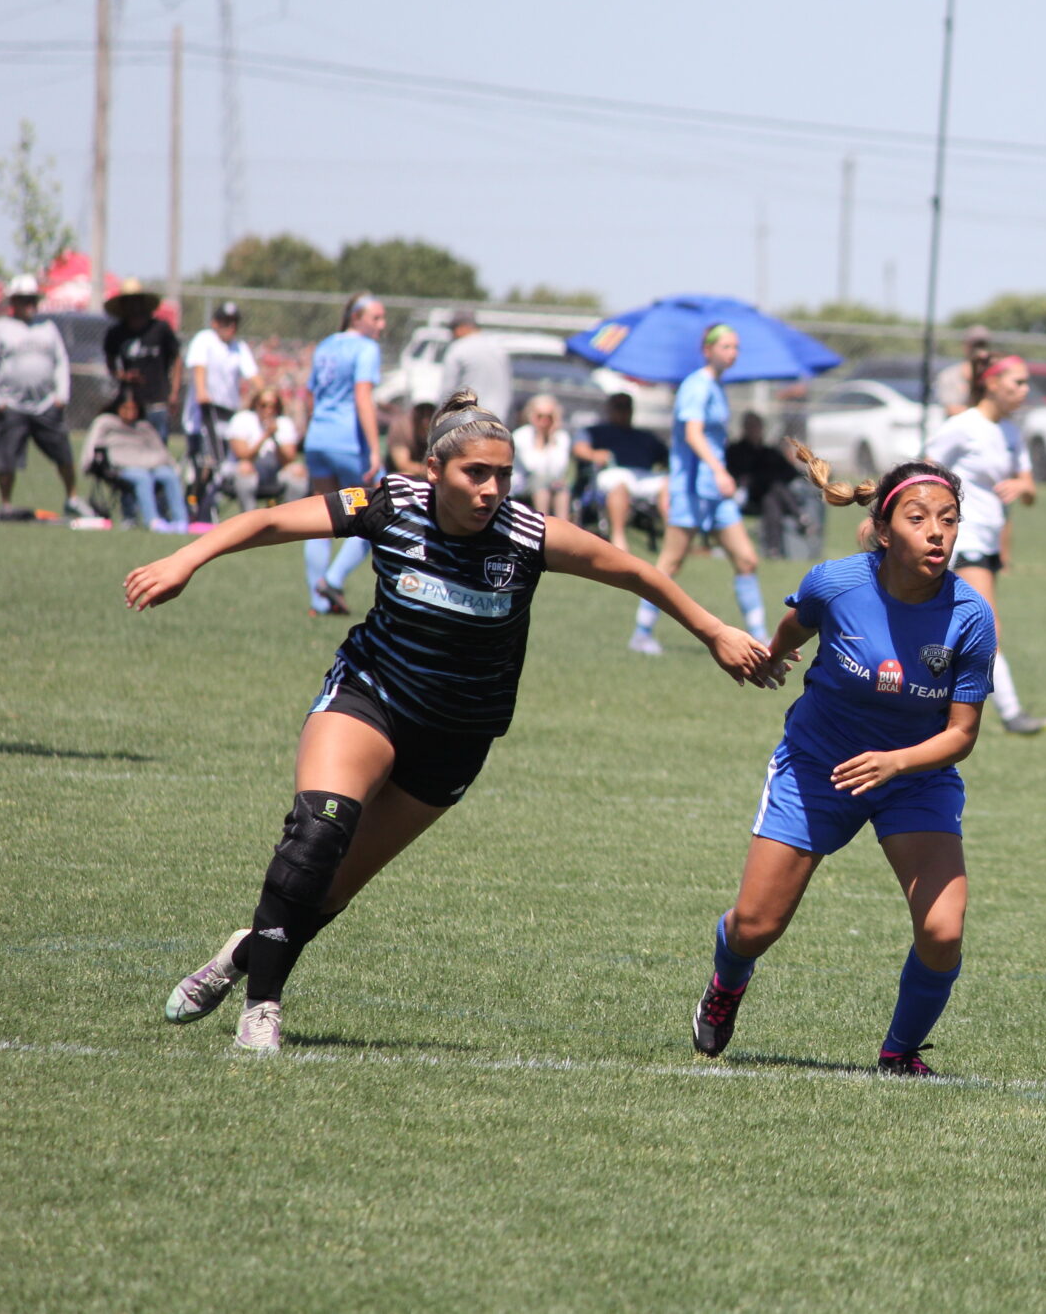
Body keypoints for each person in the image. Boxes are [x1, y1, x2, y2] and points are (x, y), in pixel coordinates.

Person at [138, 391, 779, 1055]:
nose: (492, 488)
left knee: (323, 892)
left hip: (455, 739)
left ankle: (241, 953)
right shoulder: (390, 505)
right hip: (372, 695)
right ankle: (261, 1008)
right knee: (317, 831)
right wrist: (187, 558)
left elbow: (635, 571)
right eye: (477, 473)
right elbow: (271, 520)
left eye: (503, 475)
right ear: (435, 469)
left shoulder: (527, 536)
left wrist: (713, 632)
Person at [688, 444, 996, 1078]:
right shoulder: (837, 583)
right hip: (818, 764)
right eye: (917, 518)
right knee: (755, 925)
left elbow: (961, 735)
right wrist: (771, 655)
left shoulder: (970, 616)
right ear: (883, 531)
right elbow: (798, 625)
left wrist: (896, 763)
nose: (937, 532)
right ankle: (727, 981)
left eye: (948, 518)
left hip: (915, 776)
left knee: (942, 932)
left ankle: (898, 1054)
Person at [924, 353, 1046, 735]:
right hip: (965, 539)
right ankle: (1011, 713)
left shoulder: (1011, 432)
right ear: (993, 384)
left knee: (949, 626)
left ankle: (920, 695)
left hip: (990, 542)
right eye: (1018, 383)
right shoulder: (963, 426)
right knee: (986, 625)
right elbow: (925, 471)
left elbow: (1029, 490)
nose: (1025, 391)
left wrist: (1023, 486)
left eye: (1027, 383)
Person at [630, 325, 769, 654]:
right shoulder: (696, 385)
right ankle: (640, 633)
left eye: (735, 347)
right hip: (692, 488)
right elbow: (693, 435)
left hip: (715, 493)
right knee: (671, 563)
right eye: (725, 346)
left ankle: (761, 637)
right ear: (707, 349)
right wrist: (720, 470)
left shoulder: (718, 387)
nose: (732, 353)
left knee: (747, 559)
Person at [301, 294, 386, 616]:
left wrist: (310, 432)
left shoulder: (325, 345)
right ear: (357, 318)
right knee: (379, 509)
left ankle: (317, 601)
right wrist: (375, 448)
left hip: (318, 438)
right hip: (348, 442)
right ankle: (333, 581)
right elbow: (363, 397)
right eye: (376, 318)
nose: (382, 325)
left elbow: (310, 396)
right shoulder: (366, 349)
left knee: (319, 518)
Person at [0, 275, 86, 517]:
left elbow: (61, 362)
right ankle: (5, 504)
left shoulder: (47, 329)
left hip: (46, 405)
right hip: (12, 404)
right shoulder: (1, 329)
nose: (29, 304)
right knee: (6, 458)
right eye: (24, 299)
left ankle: (72, 498)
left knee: (63, 453)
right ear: (13, 301)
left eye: (32, 299)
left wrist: (61, 395)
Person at [181, 301, 261, 518]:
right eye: (226, 322)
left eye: (234, 323)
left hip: (227, 415)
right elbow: (198, 368)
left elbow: (254, 377)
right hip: (202, 416)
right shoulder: (205, 339)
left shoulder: (239, 347)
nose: (230, 328)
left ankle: (209, 504)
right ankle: (191, 504)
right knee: (201, 463)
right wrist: (201, 392)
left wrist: (265, 394)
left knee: (222, 464)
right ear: (215, 323)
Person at [577, 392, 667, 556]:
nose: (623, 411)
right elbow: (579, 449)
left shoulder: (645, 436)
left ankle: (673, 539)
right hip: (613, 472)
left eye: (627, 407)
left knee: (669, 484)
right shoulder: (596, 431)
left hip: (643, 476)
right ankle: (619, 537)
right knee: (619, 485)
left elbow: (667, 458)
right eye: (619, 407)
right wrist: (595, 455)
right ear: (609, 408)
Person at [83, 390, 188, 530]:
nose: (130, 413)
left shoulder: (143, 427)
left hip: (150, 466)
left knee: (169, 475)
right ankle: (153, 521)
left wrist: (174, 467)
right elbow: (92, 446)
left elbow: (160, 451)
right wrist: (90, 464)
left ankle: (181, 521)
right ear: (118, 407)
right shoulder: (106, 423)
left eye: (134, 409)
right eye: (125, 409)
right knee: (142, 477)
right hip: (120, 468)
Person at [102, 278, 182, 451]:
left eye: (136, 301)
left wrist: (174, 392)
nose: (134, 307)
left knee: (158, 451)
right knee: (129, 450)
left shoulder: (160, 329)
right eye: (129, 302)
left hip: (157, 401)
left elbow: (176, 358)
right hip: (130, 406)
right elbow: (110, 361)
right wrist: (122, 375)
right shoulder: (116, 333)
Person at [726, 410, 806, 558]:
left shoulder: (769, 452)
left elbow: (791, 473)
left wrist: (814, 473)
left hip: (768, 497)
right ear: (744, 428)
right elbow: (731, 474)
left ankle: (773, 549)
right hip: (745, 496)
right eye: (750, 426)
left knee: (770, 498)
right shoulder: (735, 451)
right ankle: (799, 514)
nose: (754, 430)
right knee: (773, 485)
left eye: (756, 426)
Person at [224, 385, 309, 511]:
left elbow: (289, 459)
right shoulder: (242, 420)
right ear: (256, 405)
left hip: (275, 474)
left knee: (299, 470)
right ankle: (250, 516)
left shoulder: (284, 423)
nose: (268, 410)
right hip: (247, 472)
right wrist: (265, 436)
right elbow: (243, 456)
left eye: (273, 406)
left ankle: (288, 518)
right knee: (245, 467)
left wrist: (274, 437)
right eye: (264, 405)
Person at [438, 308, 512, 417]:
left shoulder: (458, 348)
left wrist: (440, 418)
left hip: (467, 421)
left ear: (461, 328)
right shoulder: (498, 348)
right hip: (497, 421)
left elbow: (447, 391)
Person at [510, 393, 573, 519]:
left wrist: (551, 440)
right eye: (540, 416)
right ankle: (543, 527)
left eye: (549, 417)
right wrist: (539, 439)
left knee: (562, 489)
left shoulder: (562, 437)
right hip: (523, 485)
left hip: (551, 483)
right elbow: (532, 467)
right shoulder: (521, 436)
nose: (544, 421)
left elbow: (560, 469)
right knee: (541, 484)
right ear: (531, 416)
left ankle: (563, 529)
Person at [932, 325, 991, 416]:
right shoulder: (949, 376)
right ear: (965, 346)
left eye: (982, 345)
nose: (979, 350)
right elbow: (952, 410)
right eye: (975, 345)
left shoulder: (993, 376)